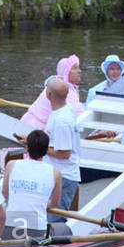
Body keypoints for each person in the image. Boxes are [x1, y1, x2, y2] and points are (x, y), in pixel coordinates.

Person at [1, 130, 61, 241]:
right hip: (37, 227)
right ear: (46, 150)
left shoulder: (11, 165)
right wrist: (40, 202)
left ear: (27, 148)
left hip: (12, 223)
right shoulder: (55, 173)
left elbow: (4, 194)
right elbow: (54, 203)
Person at [42, 78, 82, 210]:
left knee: (55, 221)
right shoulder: (67, 108)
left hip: (63, 178)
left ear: (48, 95)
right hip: (59, 175)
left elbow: (65, 153)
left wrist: (40, 147)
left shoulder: (61, 121)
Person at [21, 54, 84, 128]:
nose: (79, 71)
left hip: (26, 122)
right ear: (66, 72)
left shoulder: (53, 84)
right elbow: (80, 117)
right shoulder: (65, 91)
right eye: (75, 68)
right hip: (37, 130)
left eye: (78, 68)